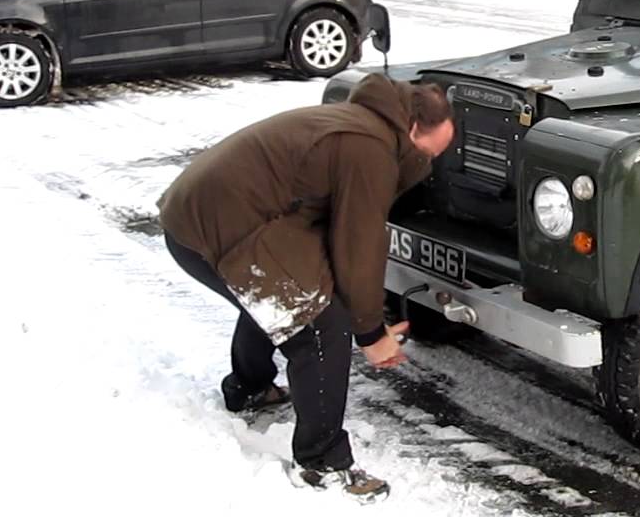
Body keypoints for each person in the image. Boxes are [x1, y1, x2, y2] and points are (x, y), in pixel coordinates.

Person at [156, 72, 454, 504]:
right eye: (429, 153)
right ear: (411, 128)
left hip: (210, 214)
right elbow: (359, 242)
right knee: (319, 323)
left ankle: (250, 387)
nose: (427, 164)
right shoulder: (370, 150)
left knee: (280, 293)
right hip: (212, 229)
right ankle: (321, 462)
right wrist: (370, 333)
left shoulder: (364, 122)